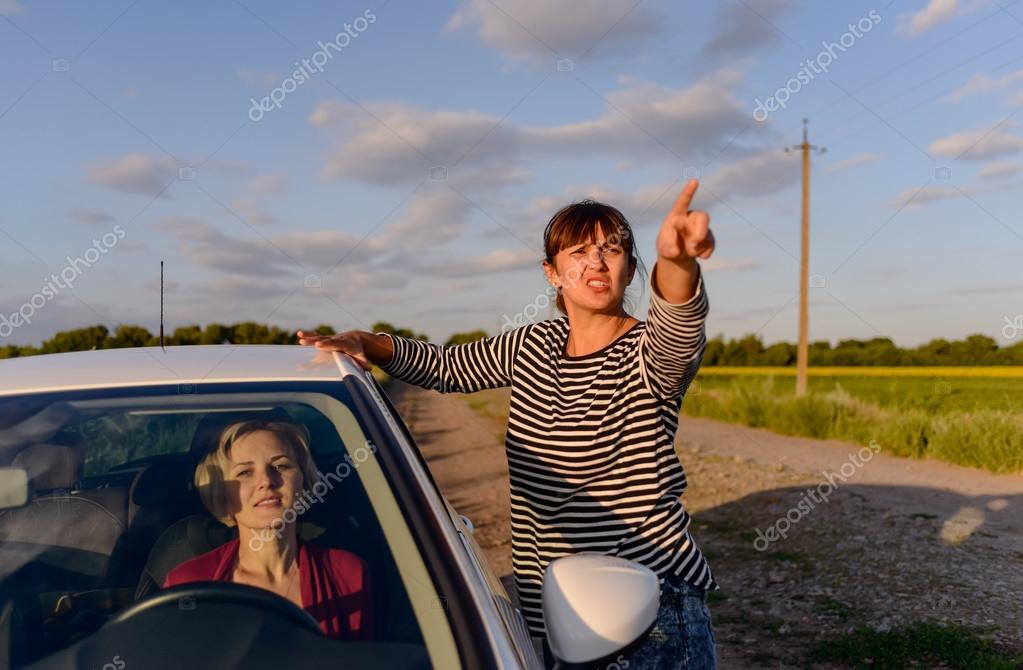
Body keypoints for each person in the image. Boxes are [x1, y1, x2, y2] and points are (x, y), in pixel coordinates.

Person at [298, 179, 716, 668]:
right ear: (552, 272)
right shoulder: (533, 345)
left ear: (630, 269)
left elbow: (679, 326)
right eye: (579, 251)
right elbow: (445, 367)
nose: (597, 262)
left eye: (613, 249)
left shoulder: (647, 355)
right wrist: (368, 344)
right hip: (559, 610)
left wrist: (679, 262)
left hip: (647, 608)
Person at [164, 419, 373, 641]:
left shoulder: (348, 572)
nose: (266, 481)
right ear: (222, 494)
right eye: (245, 472)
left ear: (304, 481)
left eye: (281, 466)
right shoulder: (187, 583)